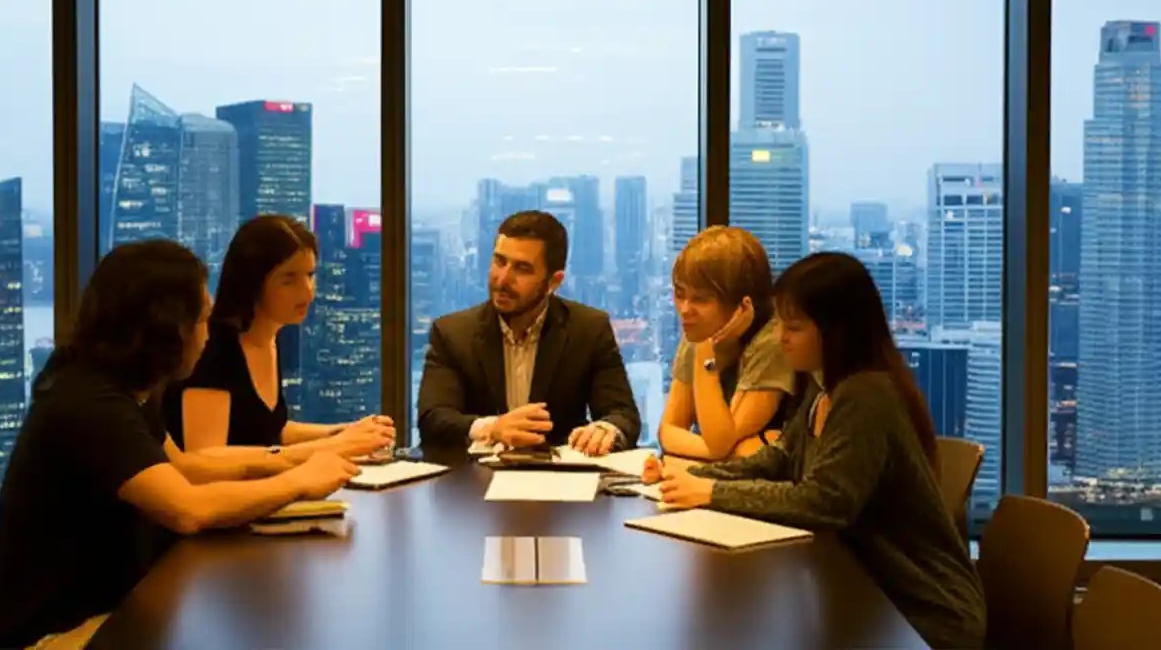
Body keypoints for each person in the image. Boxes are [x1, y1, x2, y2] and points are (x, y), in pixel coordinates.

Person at [0, 240, 360, 649]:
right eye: (201, 322)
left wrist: (292, 463)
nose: (206, 336)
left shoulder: (118, 387)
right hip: (57, 636)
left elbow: (184, 468)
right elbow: (186, 509)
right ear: (166, 327)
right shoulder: (91, 405)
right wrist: (301, 480)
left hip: (107, 611)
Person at [645, 252, 986, 649]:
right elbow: (780, 459)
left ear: (835, 331)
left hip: (920, 612)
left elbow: (824, 501)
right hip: (864, 593)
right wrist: (693, 478)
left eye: (794, 327)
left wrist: (711, 493)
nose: (780, 337)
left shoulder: (866, 397)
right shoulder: (825, 388)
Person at [164, 215, 394, 461]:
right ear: (253, 282)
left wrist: (343, 432)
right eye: (289, 279)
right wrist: (334, 446)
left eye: (310, 275)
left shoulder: (273, 337)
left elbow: (268, 430)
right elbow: (206, 457)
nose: (307, 290)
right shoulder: (214, 350)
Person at [417, 210, 640, 455]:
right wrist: (493, 428)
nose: (502, 279)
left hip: (559, 482)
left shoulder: (588, 329)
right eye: (499, 261)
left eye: (522, 269)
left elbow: (623, 415)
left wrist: (605, 430)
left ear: (554, 282)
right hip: (475, 483)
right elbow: (433, 419)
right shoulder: (452, 333)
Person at [659, 226, 795, 459]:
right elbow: (669, 431)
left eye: (701, 299)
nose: (685, 309)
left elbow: (720, 441)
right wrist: (718, 453)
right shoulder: (699, 328)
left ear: (742, 306)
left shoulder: (773, 341)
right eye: (680, 294)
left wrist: (706, 355)